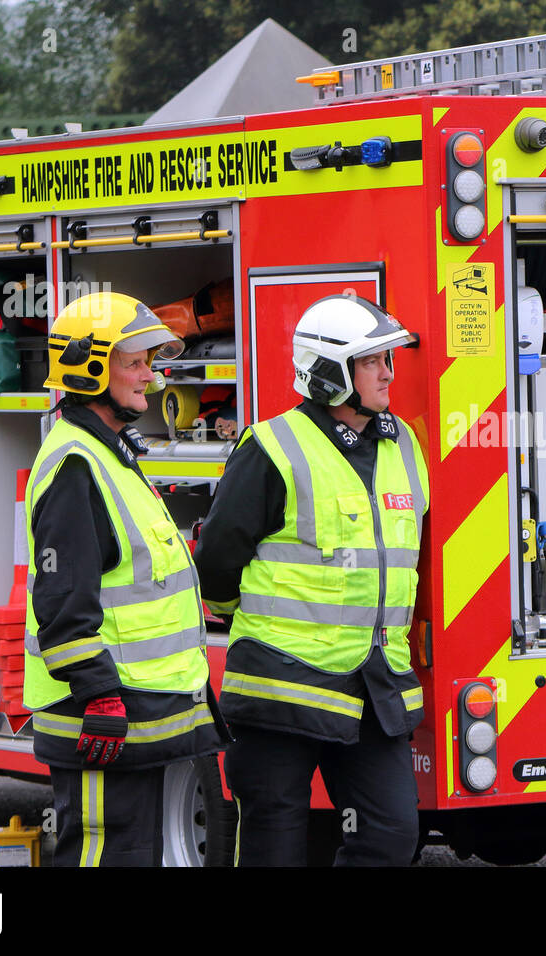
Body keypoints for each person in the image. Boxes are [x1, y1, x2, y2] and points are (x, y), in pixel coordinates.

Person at [194, 294, 429, 867]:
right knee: (273, 848)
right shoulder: (271, 448)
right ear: (331, 372)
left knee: (393, 838)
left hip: (373, 687)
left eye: (387, 359)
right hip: (281, 691)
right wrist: (234, 609)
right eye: (372, 361)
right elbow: (218, 560)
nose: (388, 373)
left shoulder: (403, 446)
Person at [24, 291, 225, 866]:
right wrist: (100, 695)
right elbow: (64, 602)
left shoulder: (107, 452)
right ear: (90, 369)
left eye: (150, 360)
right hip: (99, 718)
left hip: (136, 716)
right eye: (134, 361)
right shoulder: (75, 465)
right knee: (102, 857)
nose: (149, 374)